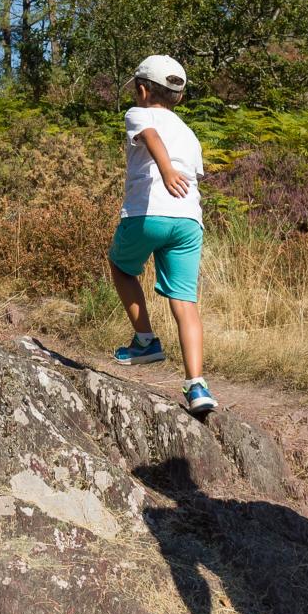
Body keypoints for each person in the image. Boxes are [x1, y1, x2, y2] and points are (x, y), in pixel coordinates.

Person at [109, 54, 215, 415]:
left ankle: (145, 341)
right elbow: (196, 175)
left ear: (141, 89)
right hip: (188, 221)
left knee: (122, 268)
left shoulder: (138, 114)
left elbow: (150, 136)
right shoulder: (189, 132)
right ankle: (197, 385)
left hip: (148, 212)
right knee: (185, 301)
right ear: (179, 98)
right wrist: (175, 172)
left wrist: (165, 170)